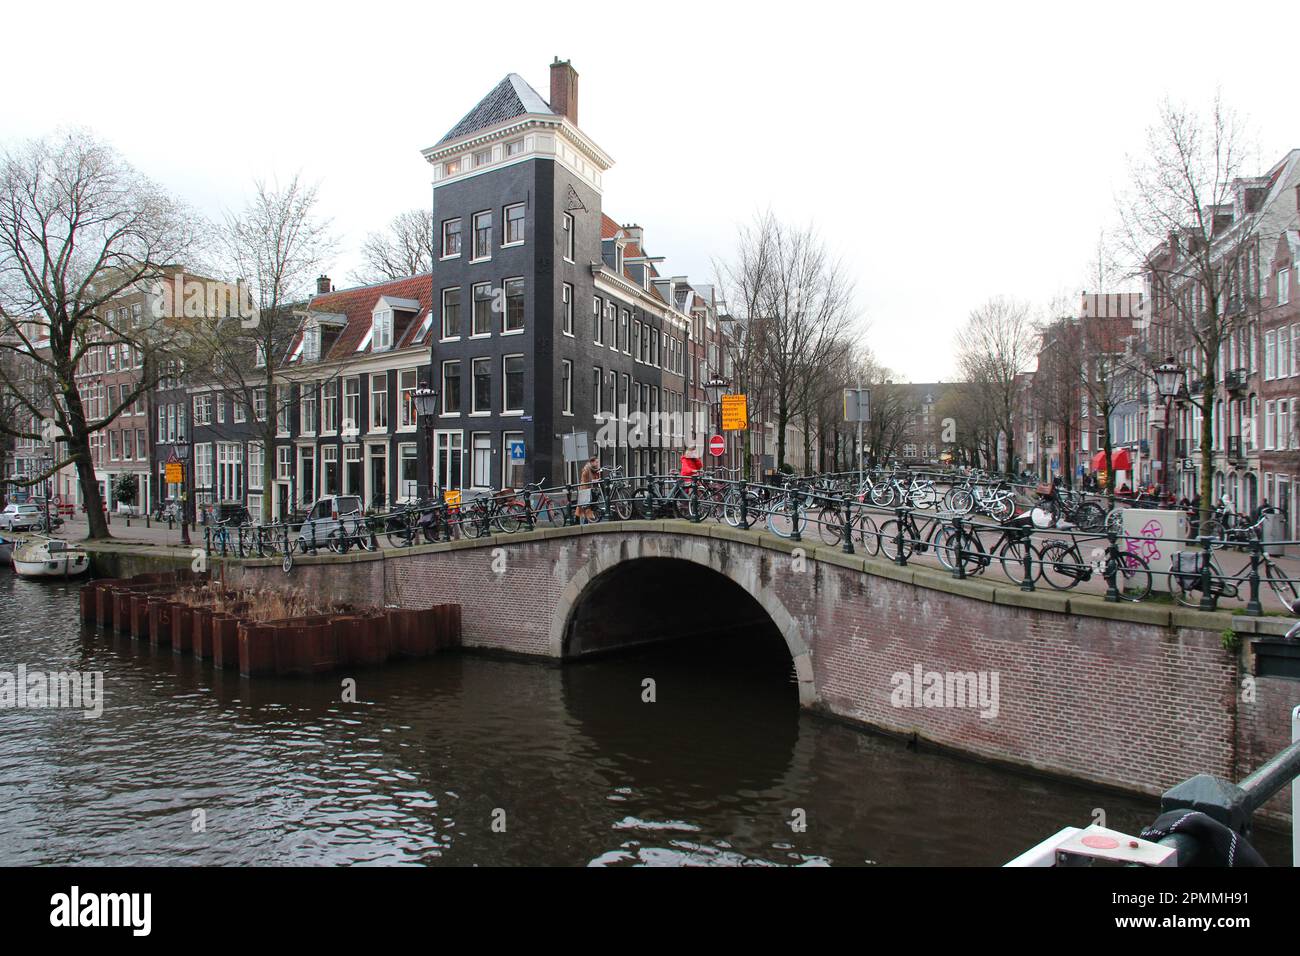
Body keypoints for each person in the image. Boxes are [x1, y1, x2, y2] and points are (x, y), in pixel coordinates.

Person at [577, 455, 600, 523]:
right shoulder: (586, 469)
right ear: (592, 462)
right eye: (596, 462)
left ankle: (587, 521)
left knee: (590, 506)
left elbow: (595, 478)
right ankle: (585, 523)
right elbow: (584, 480)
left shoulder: (595, 470)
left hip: (591, 489)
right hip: (585, 490)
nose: (597, 464)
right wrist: (594, 481)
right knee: (587, 506)